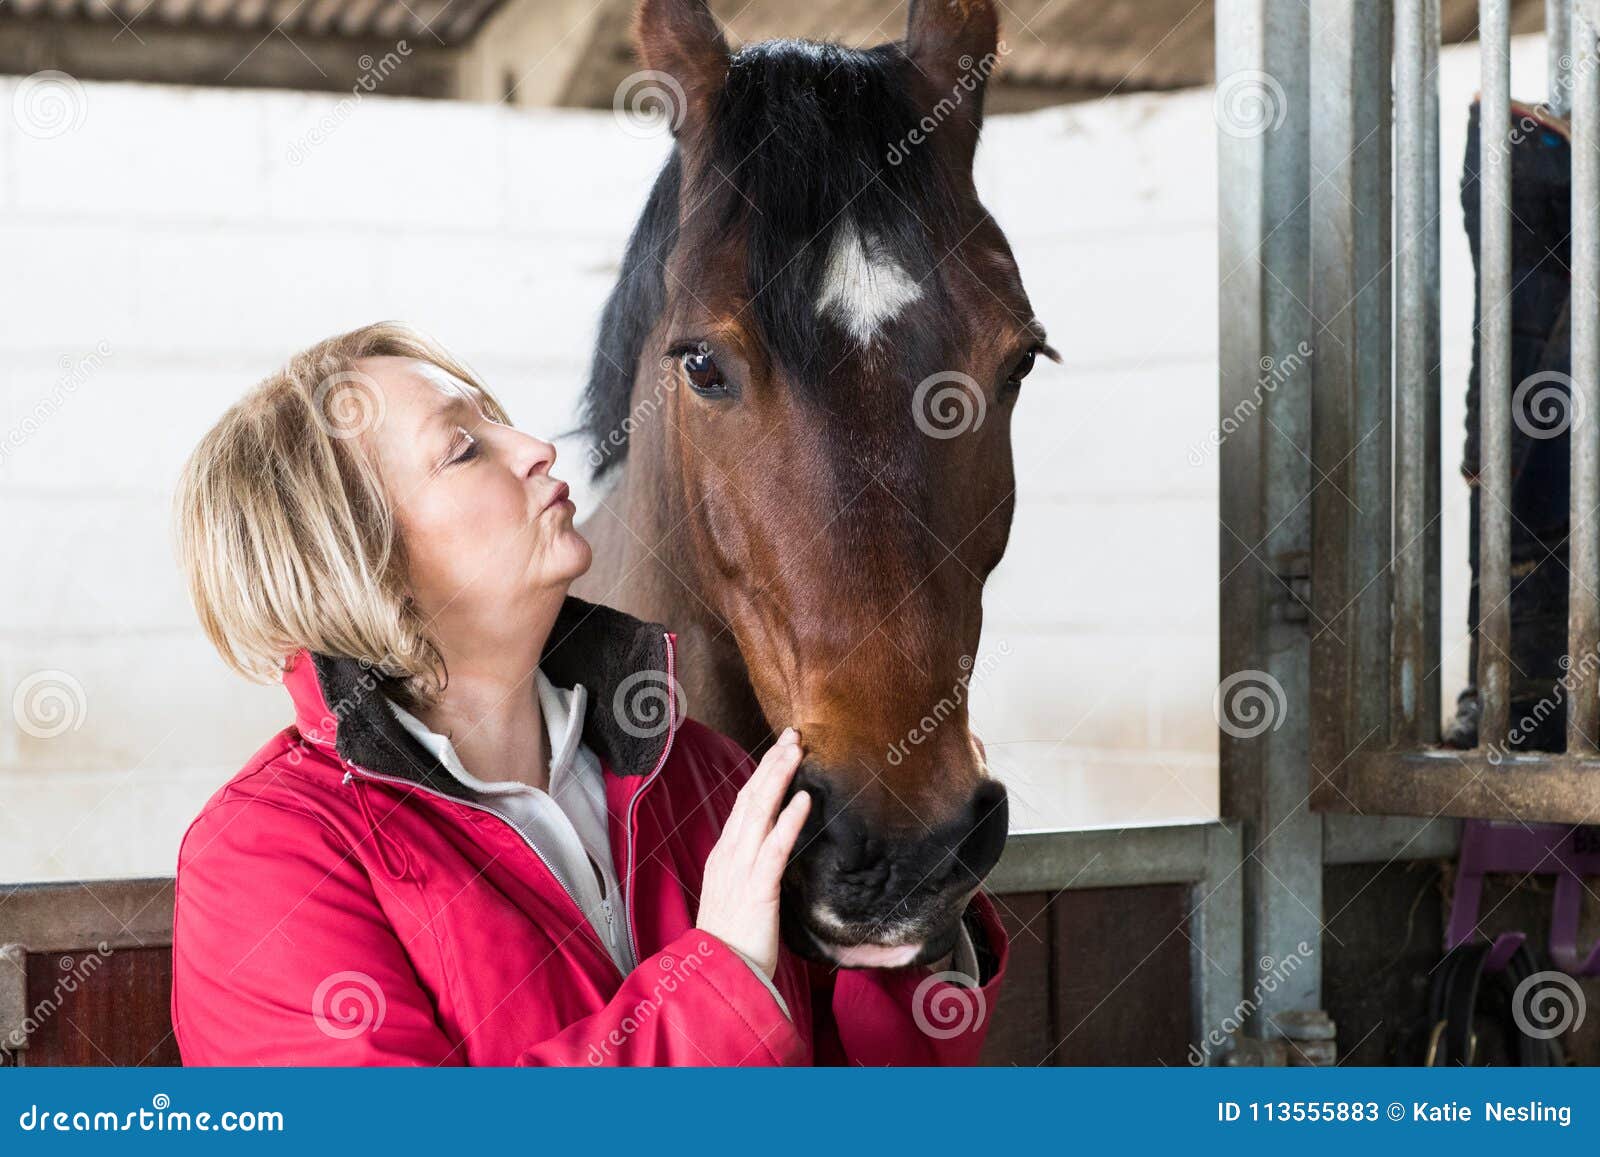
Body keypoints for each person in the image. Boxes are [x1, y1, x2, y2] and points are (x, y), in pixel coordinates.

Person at [169, 320, 1007, 1065]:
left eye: (496, 420)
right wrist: (722, 982)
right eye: (464, 448)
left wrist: (920, 923)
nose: (535, 446)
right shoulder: (264, 862)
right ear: (356, 557)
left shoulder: (703, 773)